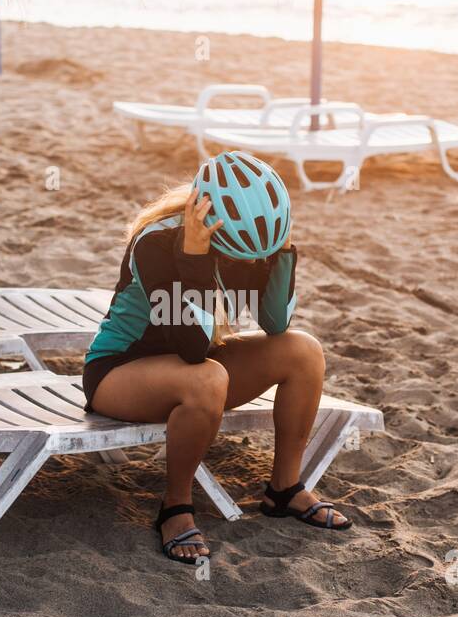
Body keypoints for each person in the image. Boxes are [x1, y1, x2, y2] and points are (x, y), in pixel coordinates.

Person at [83, 151, 349, 565]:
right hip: (119, 374)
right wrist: (194, 256)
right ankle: (175, 507)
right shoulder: (156, 242)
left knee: (303, 351)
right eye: (248, 255)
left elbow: (276, 323)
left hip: (196, 369)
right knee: (207, 377)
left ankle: (285, 489)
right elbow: (191, 345)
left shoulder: (256, 245)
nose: (251, 263)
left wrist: (282, 253)